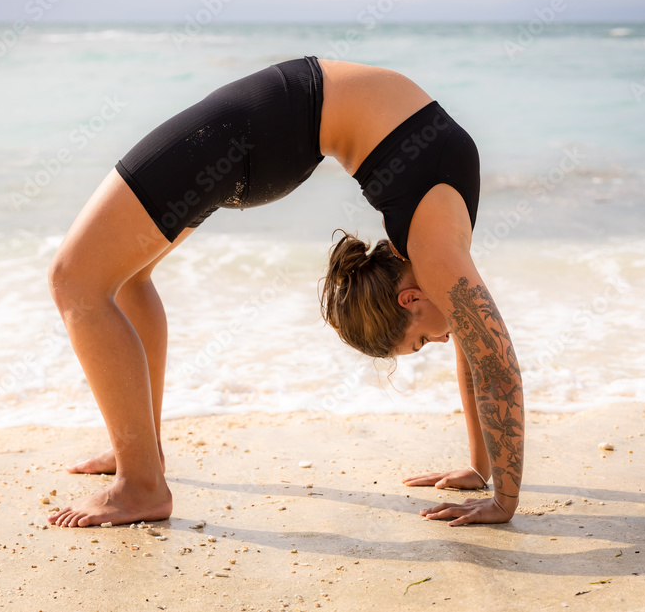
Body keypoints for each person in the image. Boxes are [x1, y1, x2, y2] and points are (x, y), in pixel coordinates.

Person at [46, 56, 524, 529]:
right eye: (420, 342)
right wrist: (501, 497)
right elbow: (494, 364)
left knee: (100, 277)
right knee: (89, 277)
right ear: (411, 300)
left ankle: (141, 471)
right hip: (263, 129)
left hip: (273, 129)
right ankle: (141, 467)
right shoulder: (435, 251)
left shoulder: (431, 251)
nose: (439, 342)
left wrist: (487, 475)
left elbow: (479, 352)